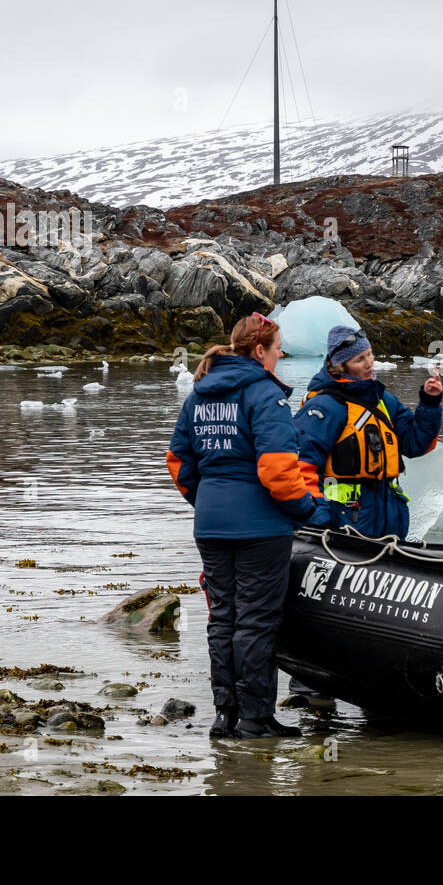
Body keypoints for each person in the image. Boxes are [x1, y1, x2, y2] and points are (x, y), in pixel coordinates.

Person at [166, 312, 317, 740]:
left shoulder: (198, 397)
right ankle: (255, 718)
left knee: (223, 618)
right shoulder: (264, 394)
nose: (280, 355)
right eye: (276, 349)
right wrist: (305, 510)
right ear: (259, 351)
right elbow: (276, 470)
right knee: (256, 621)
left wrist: (207, 499)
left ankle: (225, 715)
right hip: (260, 526)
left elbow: (179, 461)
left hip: (211, 523)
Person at [294, 325, 443, 539]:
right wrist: (319, 521)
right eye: (359, 359)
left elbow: (416, 444)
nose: (369, 363)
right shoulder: (325, 407)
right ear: (340, 366)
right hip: (344, 526)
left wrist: (429, 403)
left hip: (387, 523)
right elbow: (301, 469)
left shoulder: (383, 402)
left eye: (370, 354)